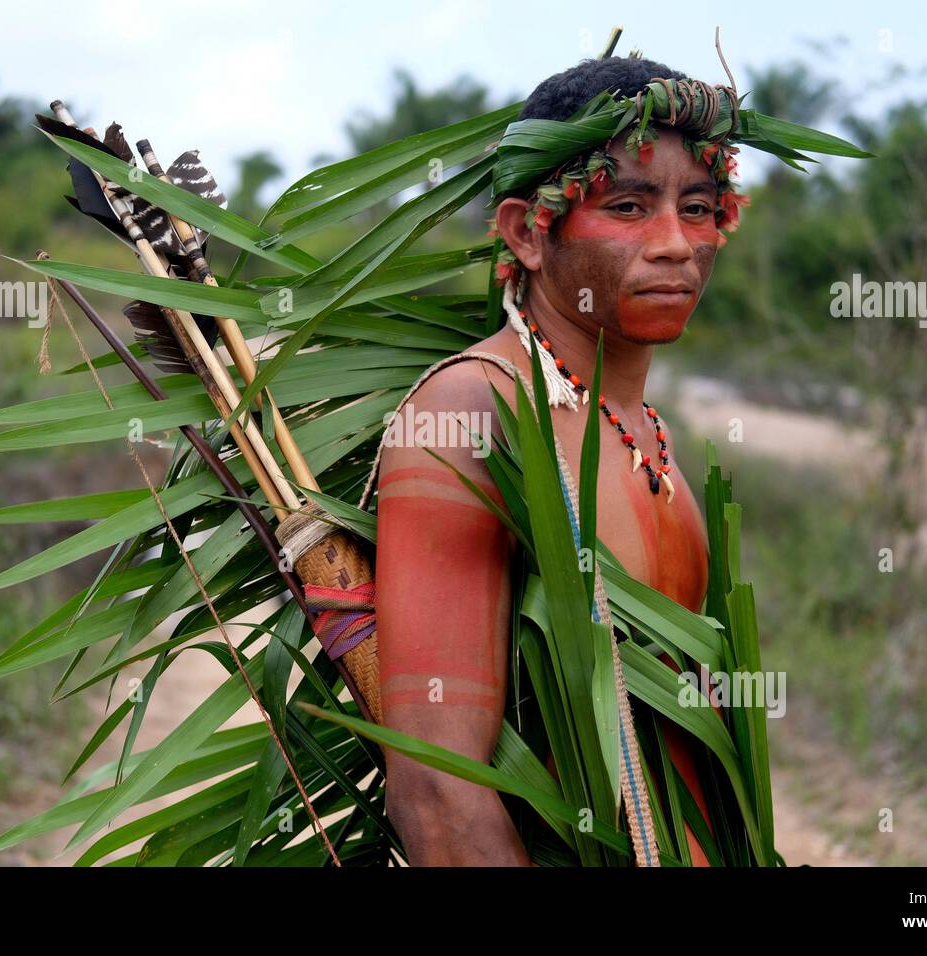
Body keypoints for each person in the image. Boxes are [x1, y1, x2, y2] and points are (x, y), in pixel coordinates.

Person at [375, 56, 727, 866]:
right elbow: (437, 789)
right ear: (528, 233)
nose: (676, 244)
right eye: (630, 207)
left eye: (699, 208)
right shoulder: (476, 412)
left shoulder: (649, 428)